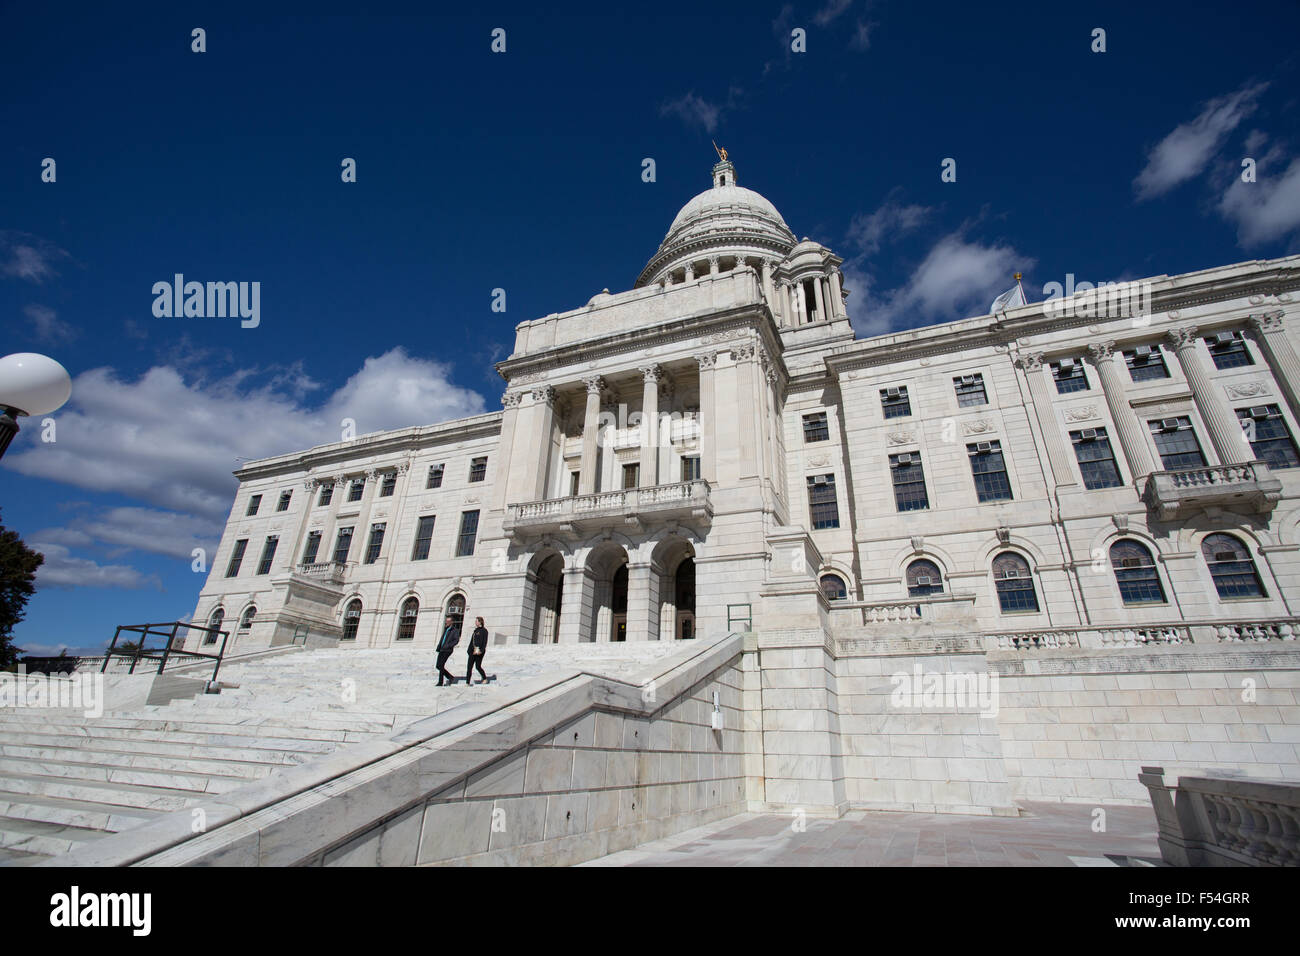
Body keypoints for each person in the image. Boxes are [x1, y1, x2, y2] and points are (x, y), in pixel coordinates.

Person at [435, 615, 461, 685]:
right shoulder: (446, 629)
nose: (446, 622)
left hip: (447, 650)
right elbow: (442, 639)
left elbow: (456, 640)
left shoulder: (455, 630)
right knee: (438, 666)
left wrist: (448, 645)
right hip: (441, 649)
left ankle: (440, 682)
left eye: (448, 621)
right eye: (446, 621)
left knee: (441, 665)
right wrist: (439, 646)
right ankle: (450, 677)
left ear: (451, 622)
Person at [466, 616, 490, 684]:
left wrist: (481, 650)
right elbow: (472, 641)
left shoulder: (484, 631)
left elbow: (484, 642)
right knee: (469, 667)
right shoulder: (475, 631)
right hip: (472, 651)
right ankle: (467, 682)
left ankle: (484, 678)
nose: (475, 622)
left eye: (476, 621)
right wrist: (469, 650)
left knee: (478, 666)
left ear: (480, 622)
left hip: (479, 651)